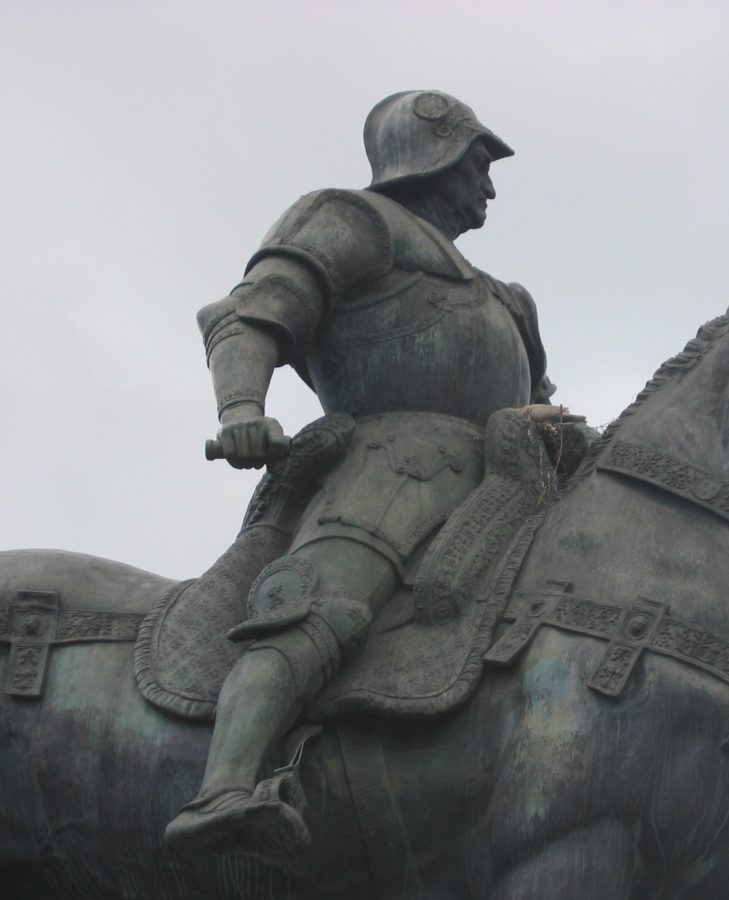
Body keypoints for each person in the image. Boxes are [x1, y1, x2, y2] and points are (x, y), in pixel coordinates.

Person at [165, 90, 573, 861]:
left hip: (504, 484)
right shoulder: (354, 220)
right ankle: (223, 788)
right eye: (478, 165)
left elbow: (541, 403)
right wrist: (242, 407)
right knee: (322, 608)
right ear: (433, 158)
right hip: (390, 467)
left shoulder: (509, 301)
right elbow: (247, 315)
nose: (490, 186)